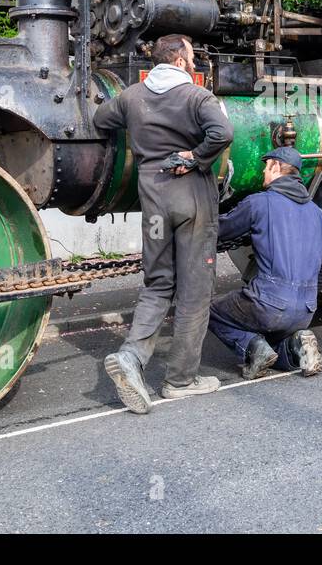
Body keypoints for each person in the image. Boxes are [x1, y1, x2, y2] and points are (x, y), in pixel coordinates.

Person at [94, 34, 235, 413]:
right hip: (191, 200)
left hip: (153, 200)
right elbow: (223, 134)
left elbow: (99, 118)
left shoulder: (131, 97)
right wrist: (195, 156)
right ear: (178, 61)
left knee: (158, 283)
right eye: (191, 57)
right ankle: (180, 380)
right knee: (194, 292)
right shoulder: (196, 97)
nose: (194, 63)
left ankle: (131, 357)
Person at [208, 147, 322, 379]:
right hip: (305, 310)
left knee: (208, 312)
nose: (263, 174)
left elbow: (220, 231)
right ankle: (298, 346)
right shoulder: (318, 214)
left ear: (276, 167)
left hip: (268, 305)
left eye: (265, 167)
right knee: (275, 347)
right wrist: (305, 290)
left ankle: (251, 347)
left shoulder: (260, 203)